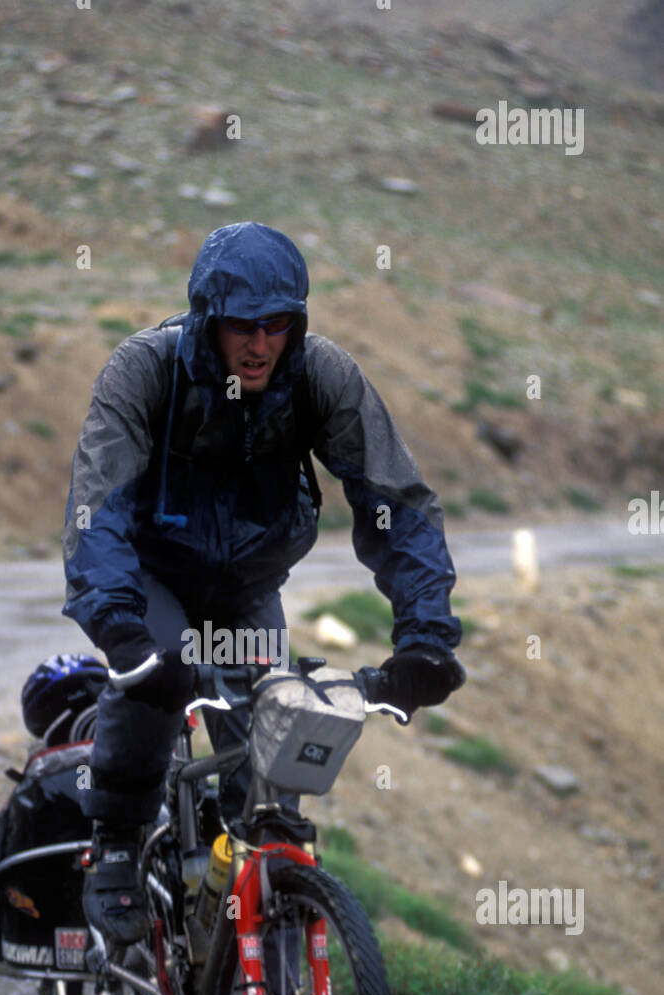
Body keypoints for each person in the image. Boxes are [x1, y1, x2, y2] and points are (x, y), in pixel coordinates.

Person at [62, 221, 464, 947]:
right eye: (241, 326)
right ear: (206, 321)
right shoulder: (145, 371)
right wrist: (121, 630)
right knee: (152, 681)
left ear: (296, 324)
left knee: (268, 753)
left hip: (247, 581)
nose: (259, 344)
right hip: (154, 572)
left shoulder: (320, 376)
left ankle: (254, 926)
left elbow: (397, 506)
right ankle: (117, 841)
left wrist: (426, 638)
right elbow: (97, 511)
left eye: (277, 325)